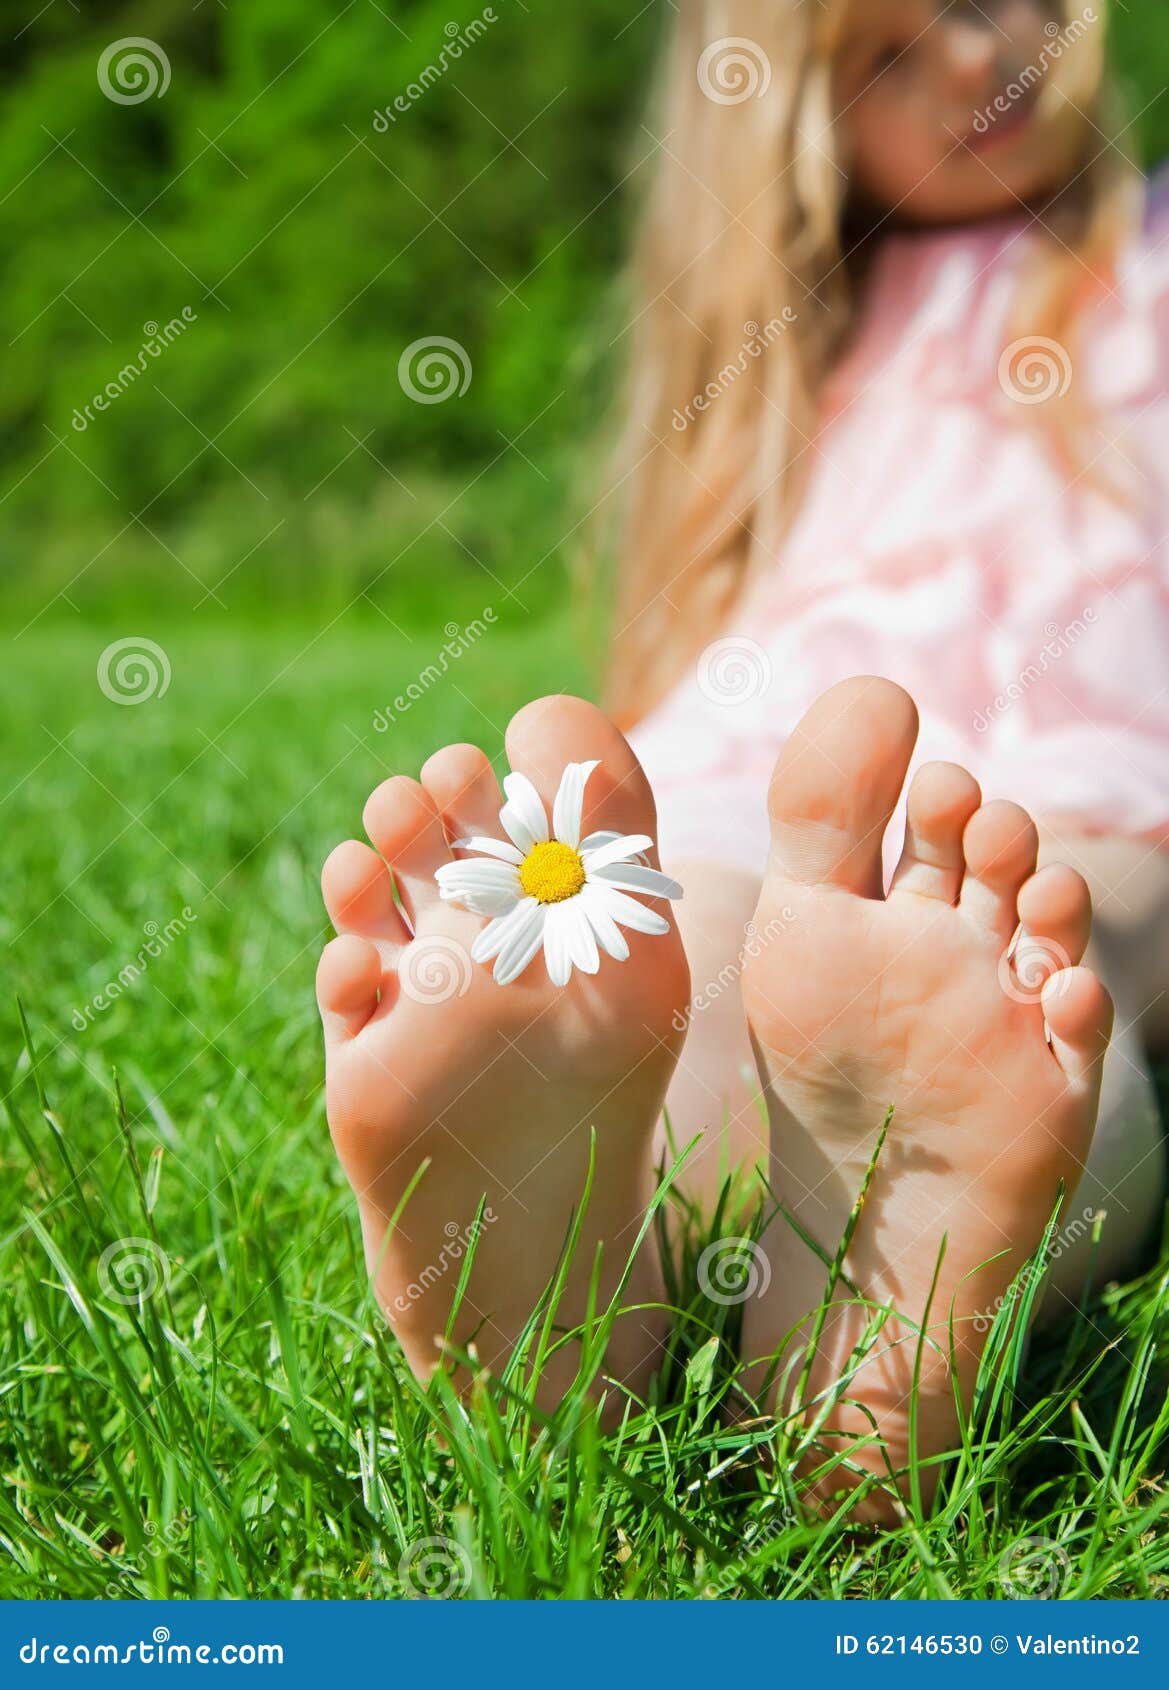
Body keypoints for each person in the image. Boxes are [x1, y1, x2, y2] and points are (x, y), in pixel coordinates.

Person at [315, 0, 1169, 1514]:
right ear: (796, 124)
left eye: (984, 6)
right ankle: (580, 1285)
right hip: (770, 761)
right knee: (694, 942)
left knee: (1053, 939)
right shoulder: (800, 331)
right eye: (887, 56)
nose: (975, 62)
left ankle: (861, 1313)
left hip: (1096, 762)